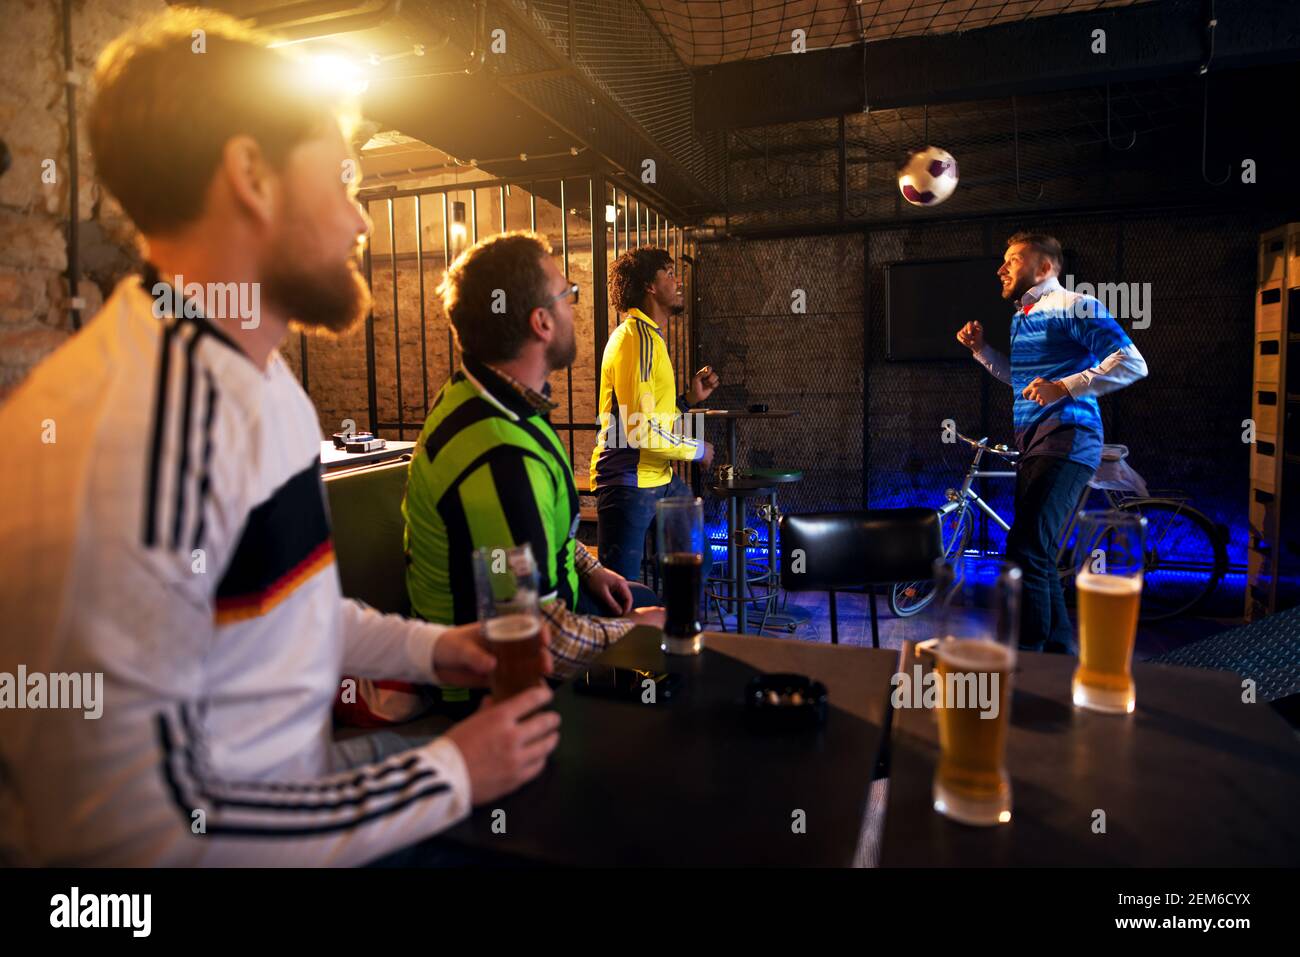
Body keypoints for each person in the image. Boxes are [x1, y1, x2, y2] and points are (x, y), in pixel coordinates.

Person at [0, 9, 558, 866]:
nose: (360, 223)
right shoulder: (135, 431)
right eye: (341, 182)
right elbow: (134, 841)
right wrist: (449, 772)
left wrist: (434, 647)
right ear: (251, 177)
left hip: (305, 791)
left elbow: (283, 617)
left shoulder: (264, 381)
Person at [404, 232, 665, 683]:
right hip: (494, 685)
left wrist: (590, 566)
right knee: (666, 642)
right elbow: (533, 638)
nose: (575, 306)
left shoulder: (491, 395)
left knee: (641, 599)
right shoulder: (500, 457)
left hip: (548, 610)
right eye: (568, 294)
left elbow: (539, 530)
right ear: (542, 323)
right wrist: (632, 633)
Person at [957, 232, 1148, 653]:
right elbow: (1024, 383)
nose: (1001, 268)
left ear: (1044, 268)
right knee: (1036, 552)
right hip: (1037, 443)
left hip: (1068, 438)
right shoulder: (1023, 316)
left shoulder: (1074, 305)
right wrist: (982, 350)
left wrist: (1065, 387)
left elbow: (1133, 361)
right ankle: (1060, 654)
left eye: (1013, 260)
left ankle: (1029, 660)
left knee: (1027, 548)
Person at [590, 247, 718, 584]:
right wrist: (697, 450)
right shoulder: (636, 340)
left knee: (695, 566)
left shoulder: (651, 339)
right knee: (622, 592)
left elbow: (652, 419)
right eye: (670, 273)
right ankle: (638, 632)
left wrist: (689, 399)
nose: (678, 281)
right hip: (628, 483)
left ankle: (669, 631)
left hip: (659, 478)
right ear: (649, 285)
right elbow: (639, 431)